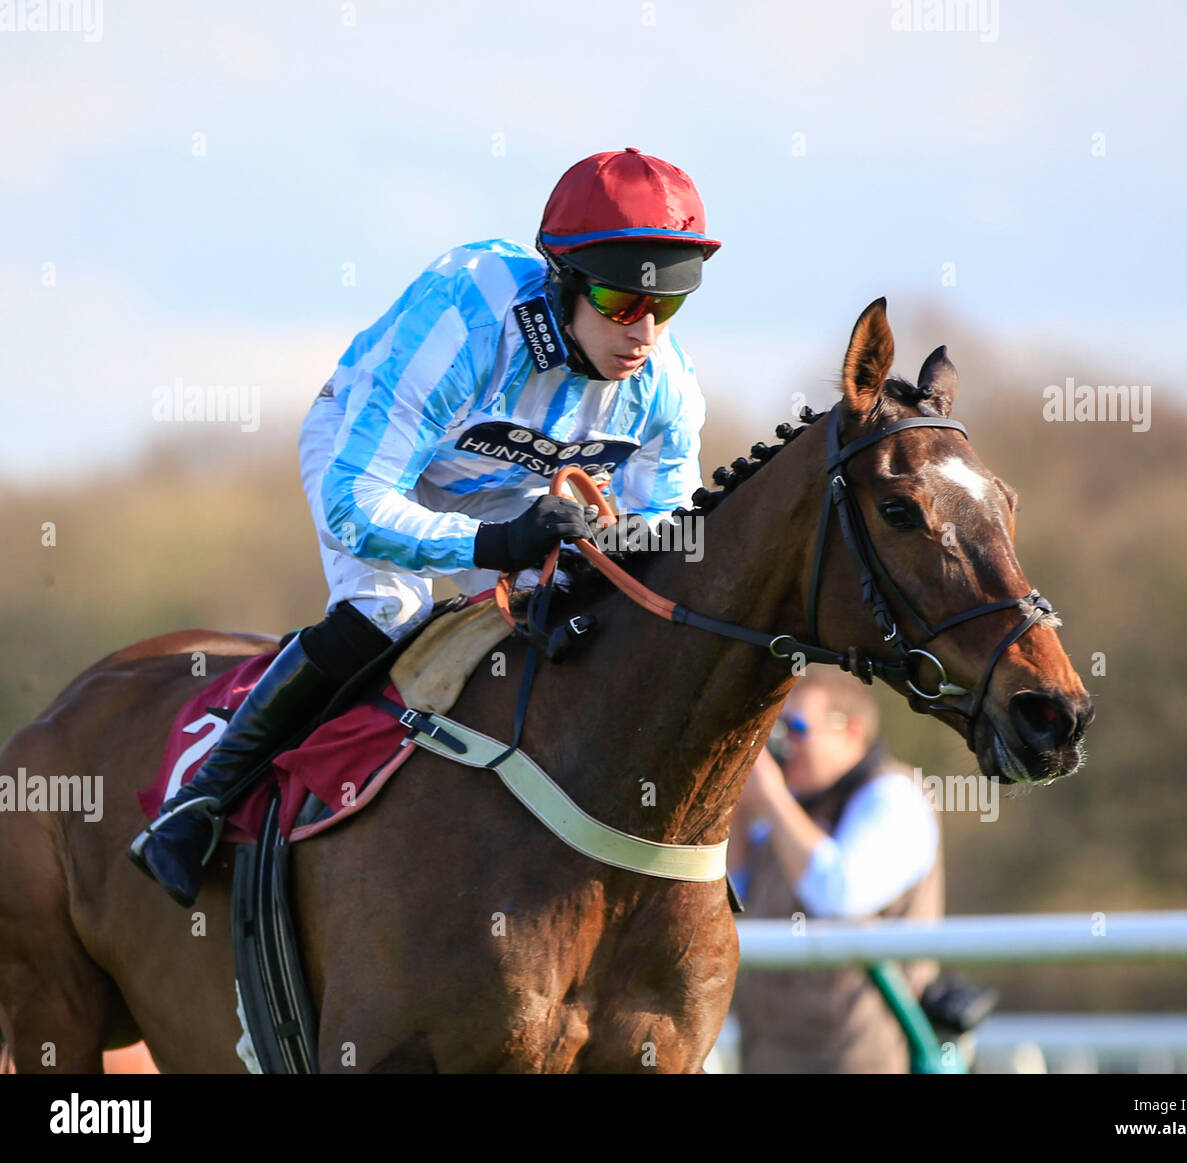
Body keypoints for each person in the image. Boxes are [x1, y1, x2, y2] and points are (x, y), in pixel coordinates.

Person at [130, 148, 721, 907]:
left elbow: (667, 531)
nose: (643, 333)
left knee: (578, 618)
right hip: (372, 461)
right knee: (392, 611)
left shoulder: (665, 386)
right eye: (618, 302)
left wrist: (614, 549)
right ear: (565, 282)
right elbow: (357, 502)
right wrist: (493, 548)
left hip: (505, 489)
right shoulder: (466, 313)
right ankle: (201, 802)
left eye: (664, 308)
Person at [728, 666, 944, 1073]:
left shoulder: (894, 797)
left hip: (864, 1060)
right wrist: (739, 804)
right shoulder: (794, 808)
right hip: (766, 1057)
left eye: (795, 728)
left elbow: (840, 894)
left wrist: (772, 797)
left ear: (850, 732)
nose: (783, 747)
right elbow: (734, 898)